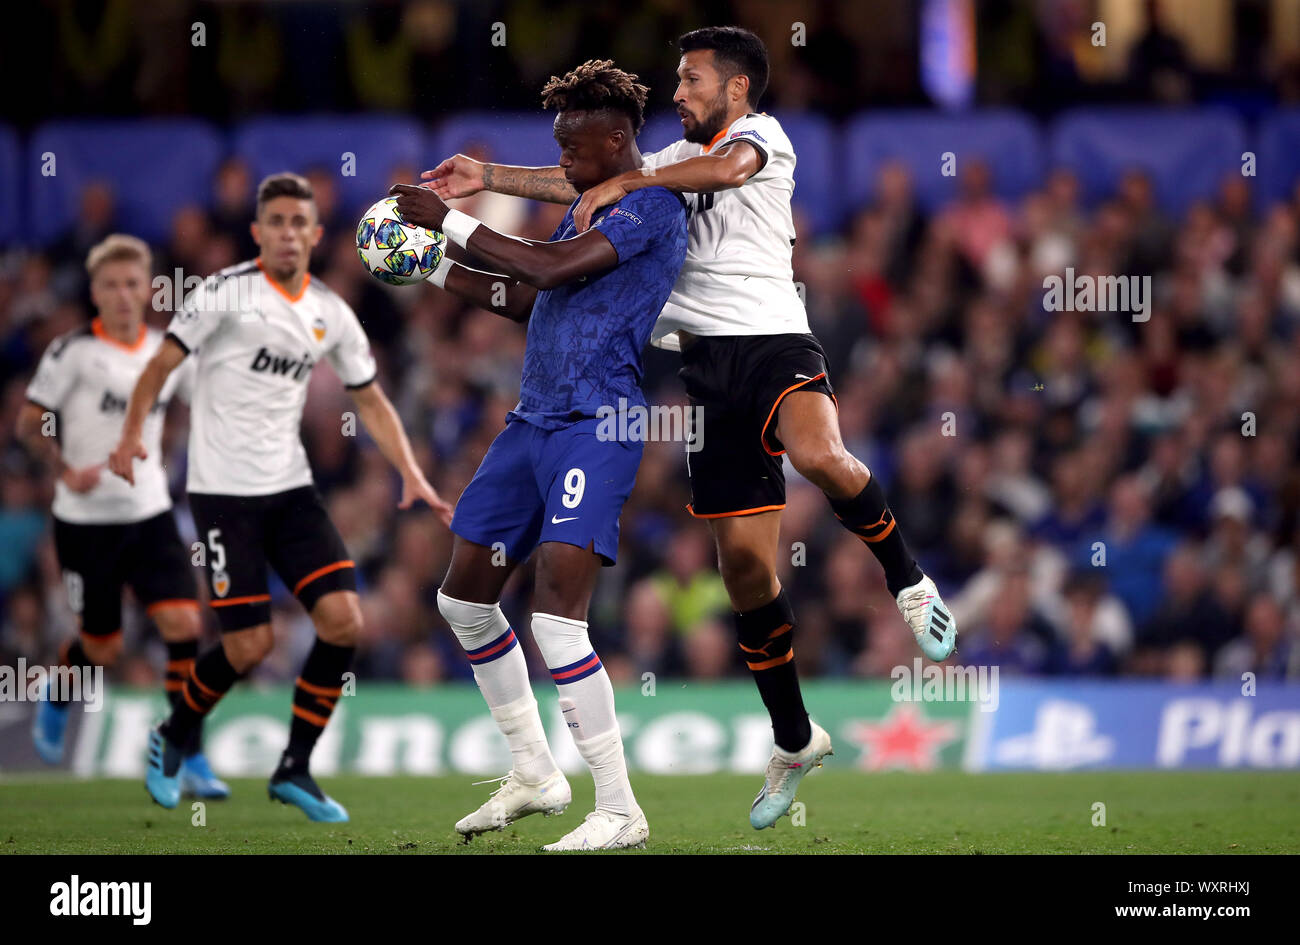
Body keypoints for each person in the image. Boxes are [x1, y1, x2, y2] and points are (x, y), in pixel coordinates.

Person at [424, 26, 958, 829]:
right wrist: (486, 177)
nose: (678, 93)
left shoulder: (759, 140)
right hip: (706, 372)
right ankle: (793, 736)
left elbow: (710, 170)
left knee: (818, 451)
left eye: (692, 80)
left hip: (774, 342)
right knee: (745, 573)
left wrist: (625, 178)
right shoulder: (659, 168)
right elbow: (579, 174)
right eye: (677, 82)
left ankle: (908, 578)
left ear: (736, 89)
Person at [389, 58, 687, 850]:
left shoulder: (651, 208)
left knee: (557, 615)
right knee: (463, 600)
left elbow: (548, 266)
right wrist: (432, 266)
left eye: (573, 149)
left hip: (600, 421)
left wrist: (448, 219)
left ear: (617, 139)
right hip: (533, 421)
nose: (562, 163)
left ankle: (621, 807)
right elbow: (528, 296)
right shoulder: (588, 202)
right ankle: (534, 769)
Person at [108, 173, 453, 822]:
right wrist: (132, 436)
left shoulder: (330, 311)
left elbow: (370, 397)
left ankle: (294, 766)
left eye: (300, 222)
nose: (289, 233)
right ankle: (173, 732)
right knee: (249, 645)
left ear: (317, 235)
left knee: (346, 619)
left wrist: (410, 469)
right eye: (278, 222)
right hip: (222, 494)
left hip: (291, 490)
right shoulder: (222, 295)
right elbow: (159, 365)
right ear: (258, 232)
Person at [18, 233, 227, 799]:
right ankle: (59, 693)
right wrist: (62, 465)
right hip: (85, 521)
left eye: (133, 282)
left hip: (150, 511)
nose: (123, 294)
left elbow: (206, 401)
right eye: (111, 284)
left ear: (149, 288)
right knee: (103, 647)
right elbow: (30, 420)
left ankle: (188, 752)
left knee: (185, 626)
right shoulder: (72, 352)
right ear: (95, 291)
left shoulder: (165, 353)